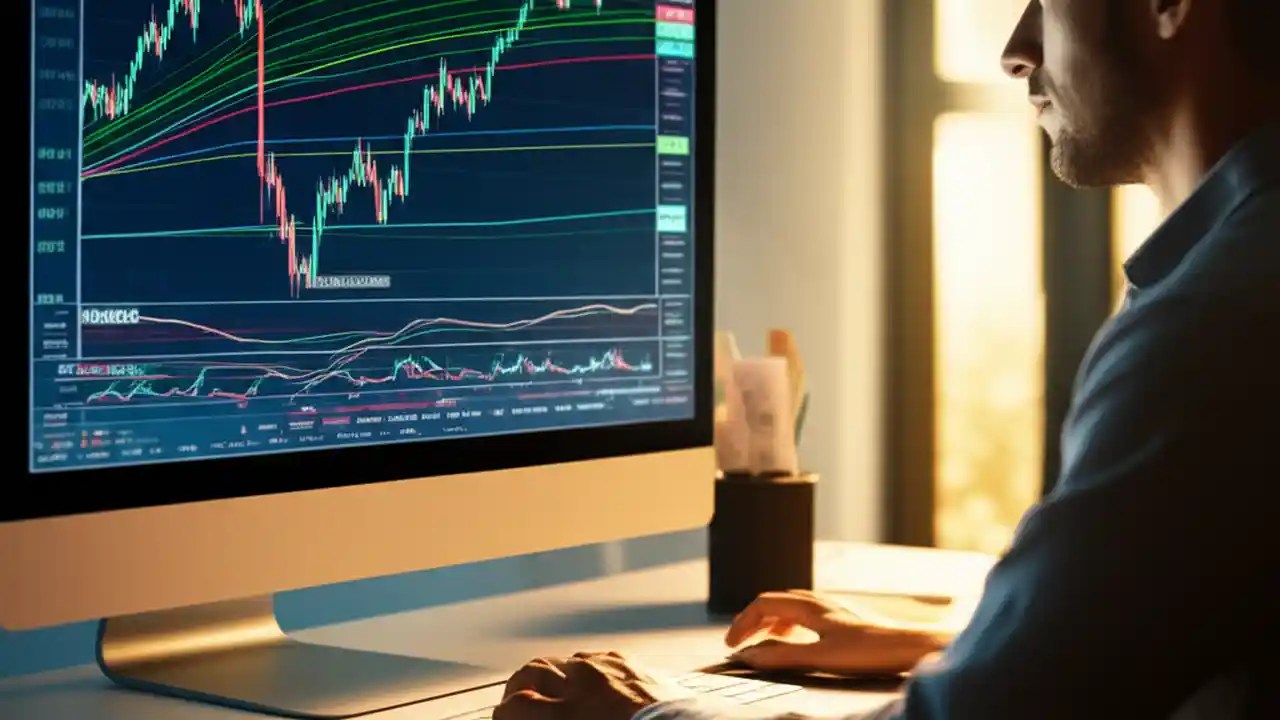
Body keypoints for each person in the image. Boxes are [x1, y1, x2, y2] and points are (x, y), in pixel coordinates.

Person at [493, 0, 1280, 717]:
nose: (1017, 48)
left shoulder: (1214, 325)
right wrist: (988, 630)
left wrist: (646, 717)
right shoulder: (1232, 275)